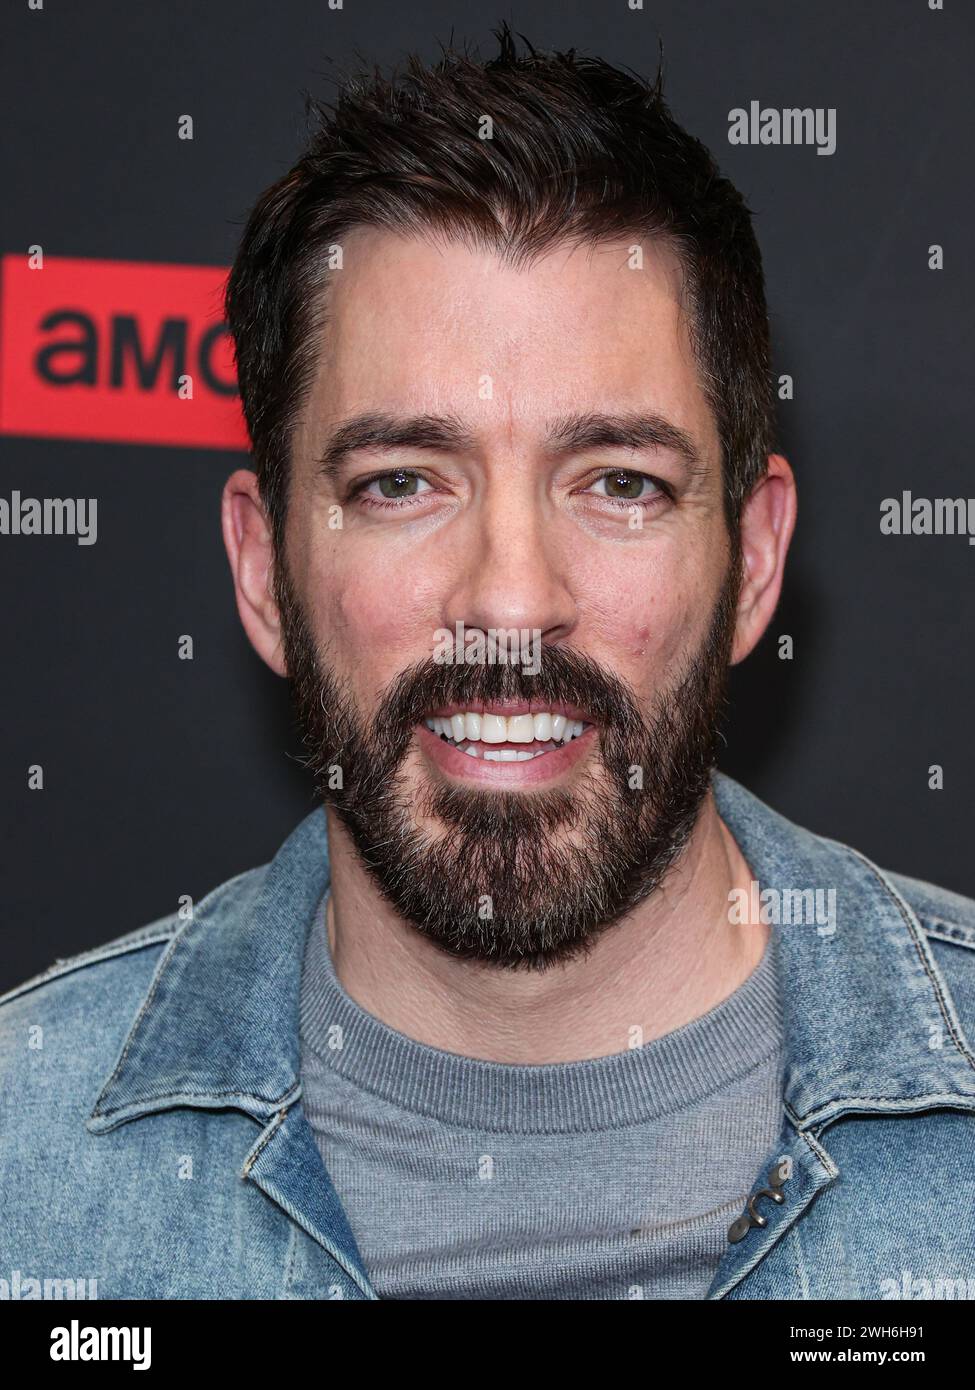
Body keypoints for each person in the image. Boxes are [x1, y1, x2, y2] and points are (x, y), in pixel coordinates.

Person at [3, 25, 974, 1302]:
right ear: (262, 569)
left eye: (618, 483)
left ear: (752, 561)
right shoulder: (22, 1171)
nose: (510, 601)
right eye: (402, 482)